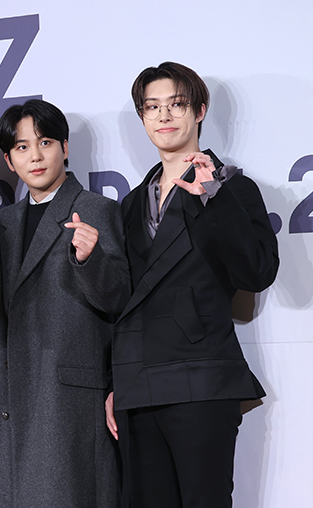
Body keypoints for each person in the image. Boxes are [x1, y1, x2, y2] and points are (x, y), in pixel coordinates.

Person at [109, 62, 279, 508]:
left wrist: (212, 198)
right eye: (152, 107)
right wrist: (115, 382)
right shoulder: (130, 204)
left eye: (177, 104)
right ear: (142, 117)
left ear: (200, 111)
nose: (164, 115)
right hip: (137, 386)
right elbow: (124, 302)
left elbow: (257, 272)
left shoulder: (231, 188)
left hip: (202, 382)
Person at [0, 99, 130, 507]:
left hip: (68, 397)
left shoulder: (97, 210)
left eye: (45, 142)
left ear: (65, 148)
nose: (35, 156)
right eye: (22, 147)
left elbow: (120, 299)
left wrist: (90, 260)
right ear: (9, 161)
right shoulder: (3, 223)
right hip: (10, 399)